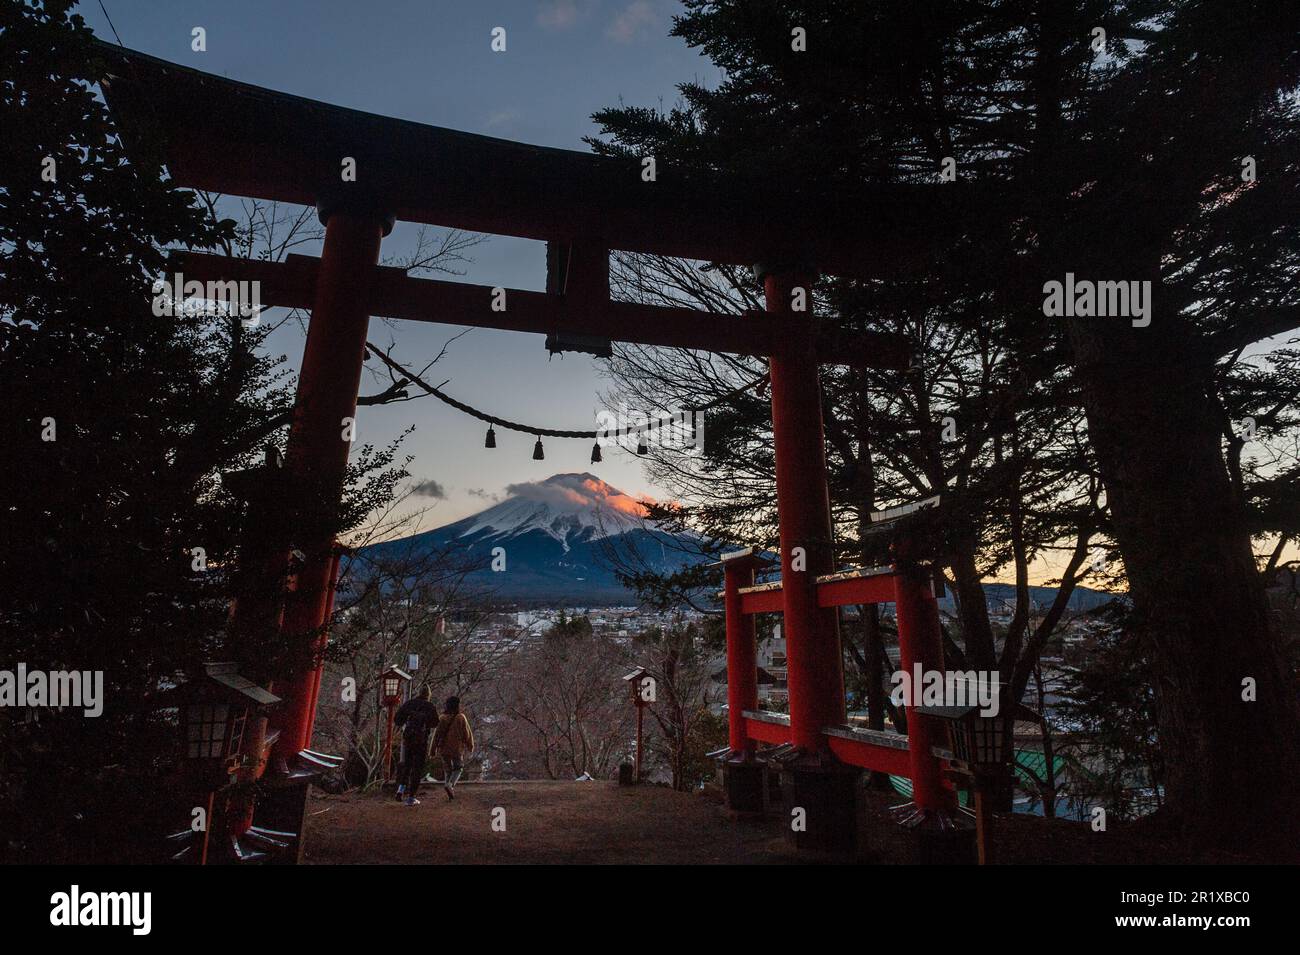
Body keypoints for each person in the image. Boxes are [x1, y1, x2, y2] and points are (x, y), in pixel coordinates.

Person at [393, 686, 438, 806]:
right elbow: (435, 723)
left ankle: (400, 790)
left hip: (408, 739)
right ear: (428, 695)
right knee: (417, 768)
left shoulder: (409, 704)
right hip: (421, 741)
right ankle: (411, 797)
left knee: (407, 765)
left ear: (418, 693)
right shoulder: (430, 706)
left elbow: (397, 719)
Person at [431, 696, 474, 800]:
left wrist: (432, 749)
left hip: (444, 748)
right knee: (458, 767)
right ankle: (450, 785)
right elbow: (467, 733)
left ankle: (448, 787)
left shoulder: (442, 718)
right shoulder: (461, 717)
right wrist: (470, 745)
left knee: (447, 769)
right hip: (457, 748)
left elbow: (436, 735)